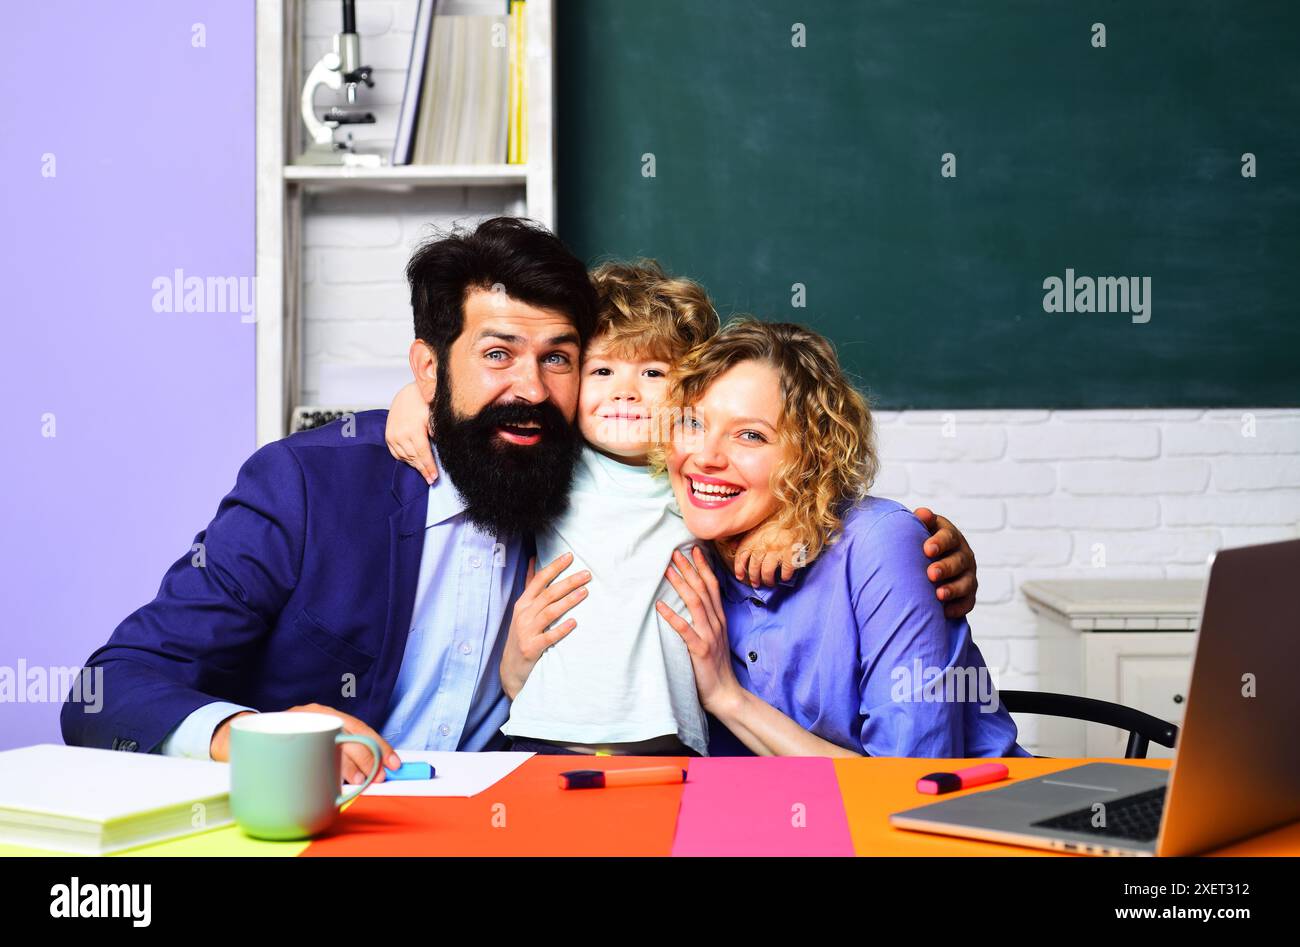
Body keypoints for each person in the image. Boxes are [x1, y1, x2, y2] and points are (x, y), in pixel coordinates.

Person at [61, 217, 599, 782]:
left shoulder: (598, 485)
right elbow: (109, 691)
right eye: (497, 355)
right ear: (428, 369)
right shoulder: (304, 487)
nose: (534, 389)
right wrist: (257, 737)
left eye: (557, 358)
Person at [652, 319, 1028, 757]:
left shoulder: (880, 545)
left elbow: (909, 781)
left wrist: (728, 699)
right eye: (692, 423)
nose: (706, 456)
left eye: (750, 435)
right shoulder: (673, 539)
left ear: (811, 456)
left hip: (957, 815)